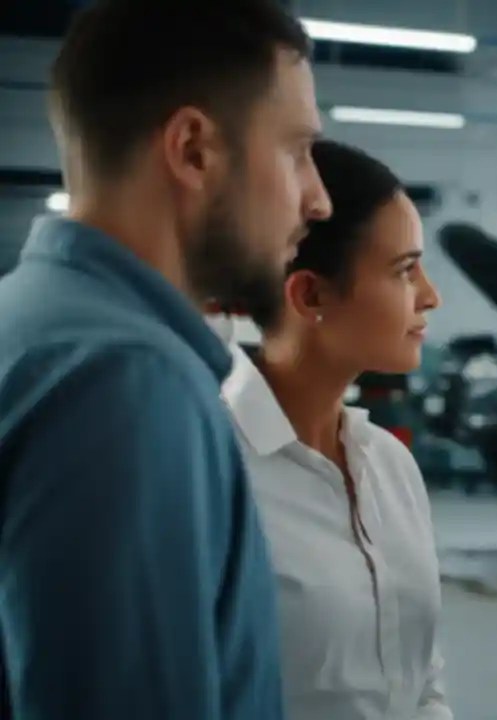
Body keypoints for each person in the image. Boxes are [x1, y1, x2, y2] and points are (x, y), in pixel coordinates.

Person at [0, 1, 331, 718]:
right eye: (297, 150)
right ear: (192, 151)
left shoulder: (29, 322)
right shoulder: (128, 383)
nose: (319, 199)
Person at [221, 139, 451, 720]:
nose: (431, 296)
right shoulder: (215, 472)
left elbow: (422, 681)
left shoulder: (390, 466)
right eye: (405, 270)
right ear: (311, 294)